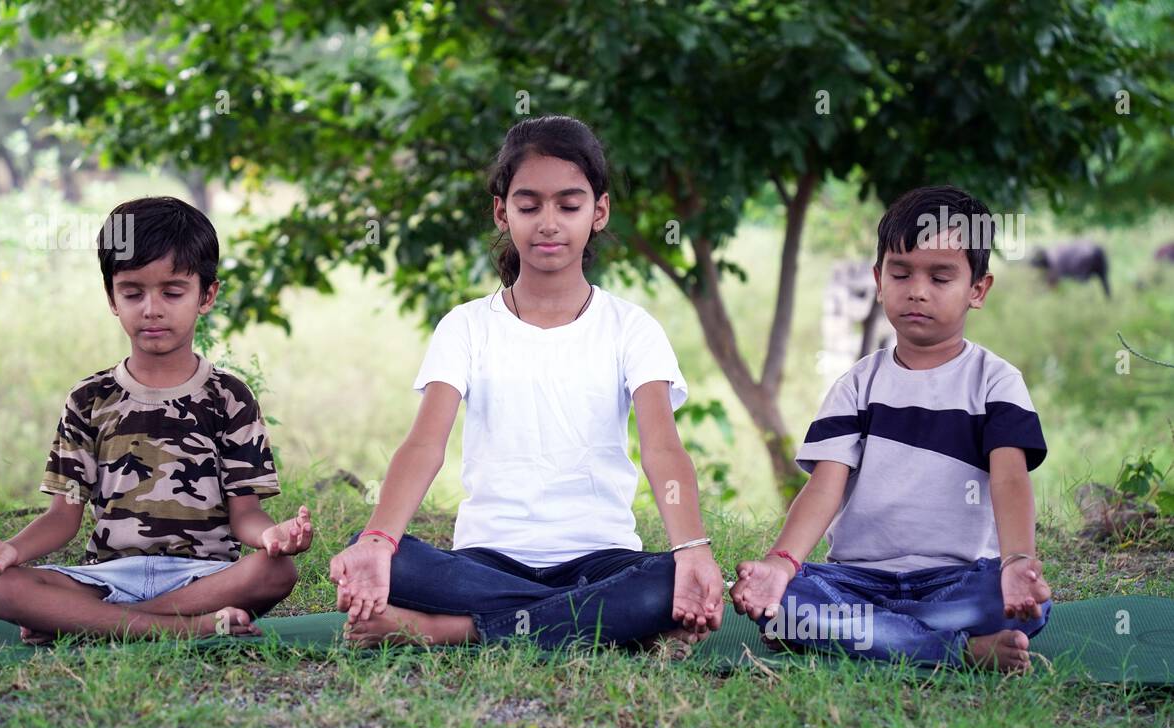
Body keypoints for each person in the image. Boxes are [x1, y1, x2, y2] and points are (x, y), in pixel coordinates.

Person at [329, 115, 725, 650]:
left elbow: (662, 449)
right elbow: (425, 445)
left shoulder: (632, 328)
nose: (548, 222)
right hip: (487, 560)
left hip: (598, 560)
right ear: (502, 211)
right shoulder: (466, 326)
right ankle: (594, 625)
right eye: (528, 204)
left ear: (599, 212)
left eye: (569, 204)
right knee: (384, 556)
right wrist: (377, 542)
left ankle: (447, 631)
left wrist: (693, 549)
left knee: (661, 580)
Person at [732, 185, 1053, 672]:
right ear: (879, 280)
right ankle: (957, 651)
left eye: (940, 276)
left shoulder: (996, 382)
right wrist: (781, 564)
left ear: (977, 289)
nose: (917, 290)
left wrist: (1016, 564)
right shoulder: (857, 385)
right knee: (788, 603)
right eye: (901, 273)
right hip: (857, 581)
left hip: (957, 581)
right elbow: (824, 488)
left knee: (1012, 604)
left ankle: (867, 635)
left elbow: (1011, 479)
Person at [0, 196, 311, 644]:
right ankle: (184, 629)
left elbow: (246, 514)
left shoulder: (230, 398)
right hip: (108, 576)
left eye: (172, 291)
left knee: (276, 571)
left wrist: (273, 536)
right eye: (132, 292)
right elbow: (62, 518)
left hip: (204, 578)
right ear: (111, 297)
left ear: (207, 295)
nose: (151, 309)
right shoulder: (88, 399)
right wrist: (9, 549)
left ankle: (90, 622)